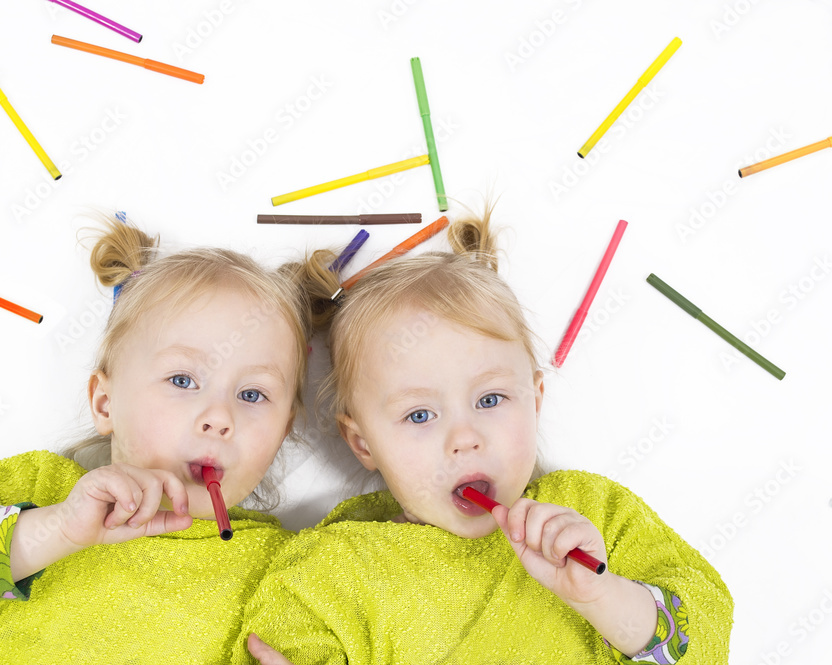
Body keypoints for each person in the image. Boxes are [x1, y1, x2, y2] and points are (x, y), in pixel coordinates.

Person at [240, 207, 732, 664]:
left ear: (535, 401)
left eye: (490, 400)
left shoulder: (594, 513)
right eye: (419, 415)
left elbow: (704, 640)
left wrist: (603, 597)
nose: (465, 438)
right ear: (363, 443)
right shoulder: (335, 572)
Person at [0, 216, 312, 663]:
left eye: (252, 394)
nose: (218, 417)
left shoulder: (285, 572)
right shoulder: (39, 490)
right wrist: (53, 531)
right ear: (105, 403)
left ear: (283, 432)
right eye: (182, 380)